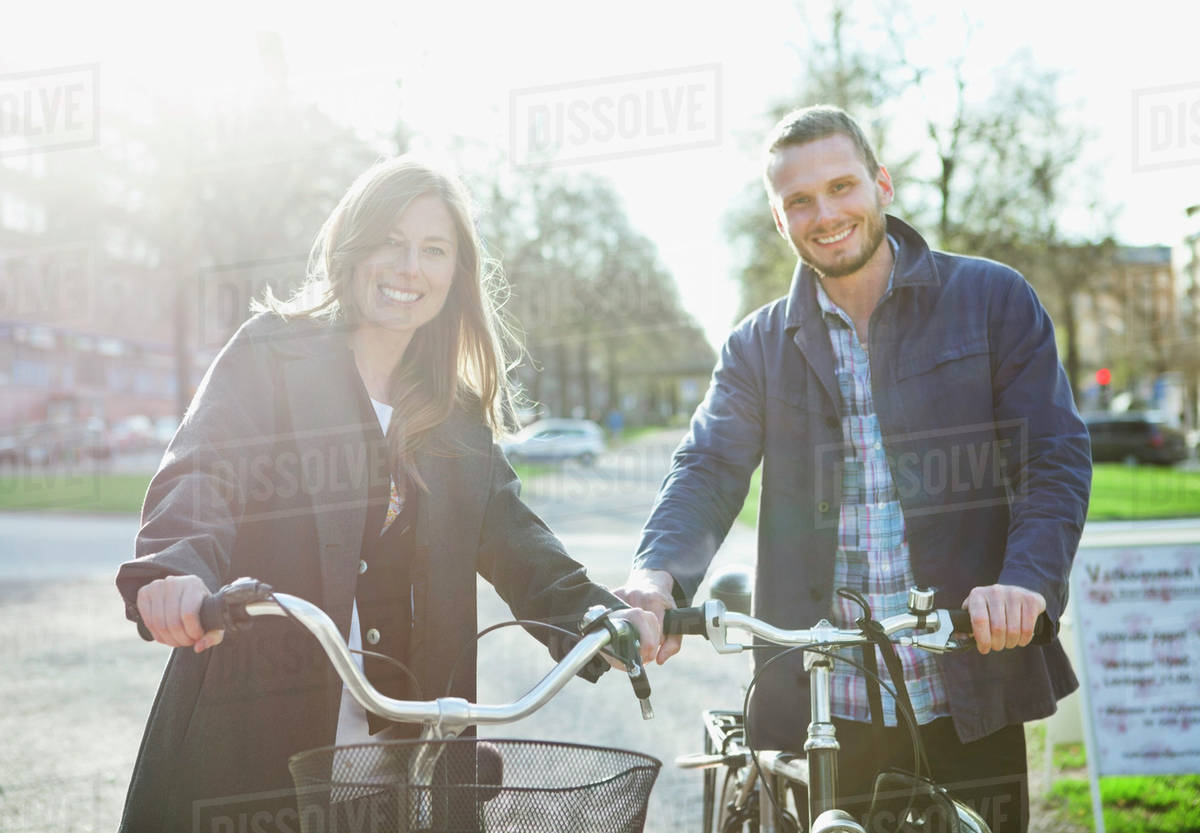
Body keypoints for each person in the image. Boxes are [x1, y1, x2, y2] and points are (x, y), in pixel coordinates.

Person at [115, 156, 659, 832]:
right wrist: (175, 570)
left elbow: (514, 535)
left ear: (455, 274)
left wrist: (596, 616)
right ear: (352, 246)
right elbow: (203, 472)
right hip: (256, 741)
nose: (409, 268)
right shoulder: (273, 355)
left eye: (434, 250)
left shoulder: (453, 410)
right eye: (391, 241)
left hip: (406, 759)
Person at [616, 106, 1090, 833]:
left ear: (882, 185)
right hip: (825, 709)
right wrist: (656, 578)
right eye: (800, 200)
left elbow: (1052, 456)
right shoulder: (756, 347)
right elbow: (707, 467)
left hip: (968, 680)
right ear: (779, 221)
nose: (826, 214)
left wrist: (1025, 580)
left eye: (841, 186)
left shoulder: (993, 300)